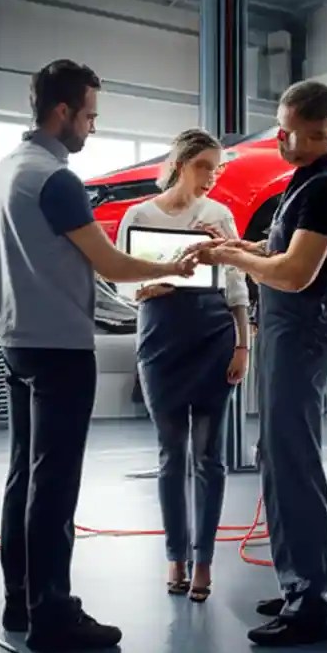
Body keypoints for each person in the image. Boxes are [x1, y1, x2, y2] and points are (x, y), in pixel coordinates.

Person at [0, 59, 199, 653]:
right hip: (58, 347)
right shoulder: (57, 180)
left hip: (14, 340)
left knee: (24, 475)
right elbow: (110, 263)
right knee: (55, 485)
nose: (92, 127)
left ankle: (20, 602)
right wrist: (175, 266)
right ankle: (53, 615)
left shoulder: (7, 169)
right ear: (62, 112)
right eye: (89, 115)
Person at [194, 80, 327, 647]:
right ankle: (295, 584)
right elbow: (277, 251)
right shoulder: (302, 183)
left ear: (315, 132)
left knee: (294, 463)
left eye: (286, 131)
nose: (279, 139)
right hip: (284, 333)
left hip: (301, 333)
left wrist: (233, 258)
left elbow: (294, 273)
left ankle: (310, 602)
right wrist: (232, 246)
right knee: (276, 459)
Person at [114, 128, 251, 604]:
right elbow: (120, 278)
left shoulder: (219, 215)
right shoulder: (139, 215)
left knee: (209, 457)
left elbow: (236, 284)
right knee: (171, 455)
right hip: (160, 338)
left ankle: (204, 561)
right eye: (203, 166)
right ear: (179, 164)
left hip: (214, 336)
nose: (211, 176)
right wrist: (142, 289)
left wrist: (243, 345)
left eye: (217, 168)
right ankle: (175, 555)